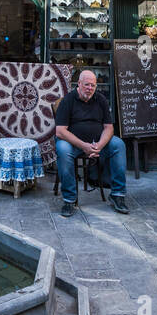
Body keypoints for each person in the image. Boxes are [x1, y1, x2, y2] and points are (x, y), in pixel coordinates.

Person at [54, 70, 127, 216]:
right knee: (62, 148)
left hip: (96, 143)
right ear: (79, 84)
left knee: (118, 144)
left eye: (93, 85)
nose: (90, 88)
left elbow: (109, 128)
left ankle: (117, 195)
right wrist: (84, 146)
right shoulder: (68, 100)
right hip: (74, 144)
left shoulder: (101, 100)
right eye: (87, 85)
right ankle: (69, 199)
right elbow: (60, 131)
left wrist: (99, 145)